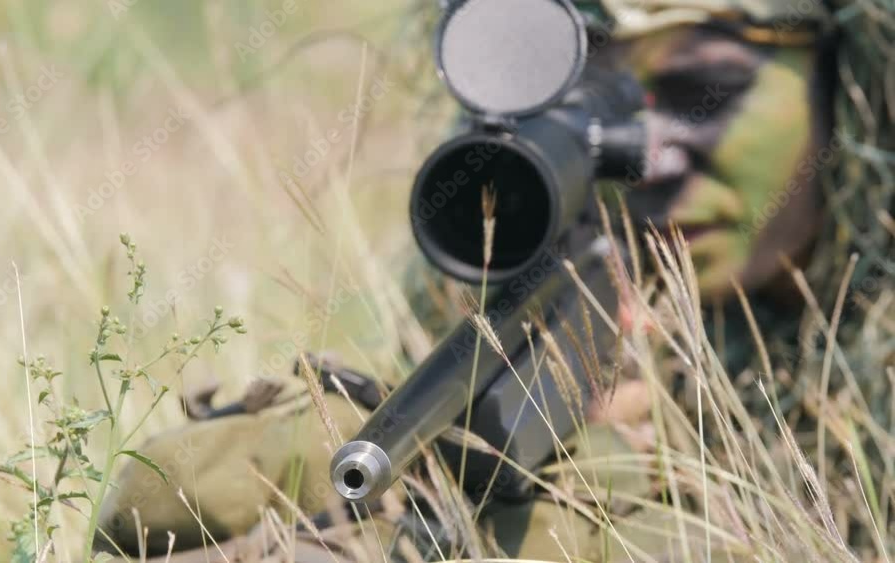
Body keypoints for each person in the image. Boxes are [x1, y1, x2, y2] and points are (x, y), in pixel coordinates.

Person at [97, 0, 894, 560]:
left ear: (850, 90)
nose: (654, 153)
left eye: (704, 94)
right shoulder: (554, 314)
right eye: (598, 106)